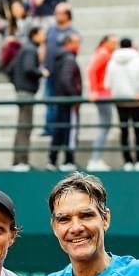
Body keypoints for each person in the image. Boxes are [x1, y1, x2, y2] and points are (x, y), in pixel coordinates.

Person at [104, 38, 139, 171]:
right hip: (135, 100)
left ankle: (127, 161)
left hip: (119, 100)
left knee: (124, 131)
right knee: (137, 130)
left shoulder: (112, 62)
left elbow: (107, 83)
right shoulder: (138, 60)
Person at [6, 25, 45, 172]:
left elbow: (10, 69)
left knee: (22, 127)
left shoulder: (25, 48)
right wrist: (41, 73)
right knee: (24, 127)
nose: (43, 37)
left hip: (21, 91)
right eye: (41, 34)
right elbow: (29, 69)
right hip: (26, 93)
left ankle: (19, 161)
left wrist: (17, 84)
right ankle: (21, 162)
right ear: (34, 35)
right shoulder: (30, 49)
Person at [48, 33, 82, 172]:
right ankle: (68, 160)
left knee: (60, 129)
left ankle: (52, 159)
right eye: (76, 42)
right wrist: (74, 96)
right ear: (69, 43)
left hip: (61, 99)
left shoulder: (60, 57)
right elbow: (65, 79)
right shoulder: (69, 58)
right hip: (67, 101)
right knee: (68, 130)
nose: (78, 45)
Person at [43, 2, 78, 136]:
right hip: (50, 72)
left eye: (59, 13)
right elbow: (44, 47)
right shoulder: (51, 30)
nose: (56, 16)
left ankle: (57, 130)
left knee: (60, 104)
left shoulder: (73, 33)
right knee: (49, 100)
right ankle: (49, 128)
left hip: (63, 74)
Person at [86, 35, 118, 172]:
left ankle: (96, 158)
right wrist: (94, 90)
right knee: (104, 126)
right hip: (102, 94)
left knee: (105, 126)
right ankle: (95, 159)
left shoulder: (103, 53)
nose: (115, 44)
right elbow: (91, 70)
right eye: (113, 42)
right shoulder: (104, 54)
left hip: (102, 93)